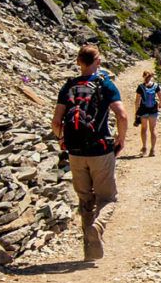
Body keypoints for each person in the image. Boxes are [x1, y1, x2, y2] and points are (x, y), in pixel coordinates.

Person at [52, 43, 127, 262]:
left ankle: (90, 250)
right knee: (108, 198)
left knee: (85, 200)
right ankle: (98, 226)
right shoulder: (105, 84)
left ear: (78, 62)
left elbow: (56, 121)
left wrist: (62, 140)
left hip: (75, 152)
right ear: (97, 62)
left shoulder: (68, 86)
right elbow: (121, 115)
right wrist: (120, 139)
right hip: (100, 150)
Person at [134, 70, 161, 156]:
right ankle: (153, 150)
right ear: (151, 77)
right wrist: (159, 106)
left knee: (144, 129)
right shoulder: (156, 86)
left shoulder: (140, 87)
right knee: (153, 129)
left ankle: (144, 148)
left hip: (143, 110)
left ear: (143, 76)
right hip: (153, 110)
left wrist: (136, 113)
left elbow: (137, 102)